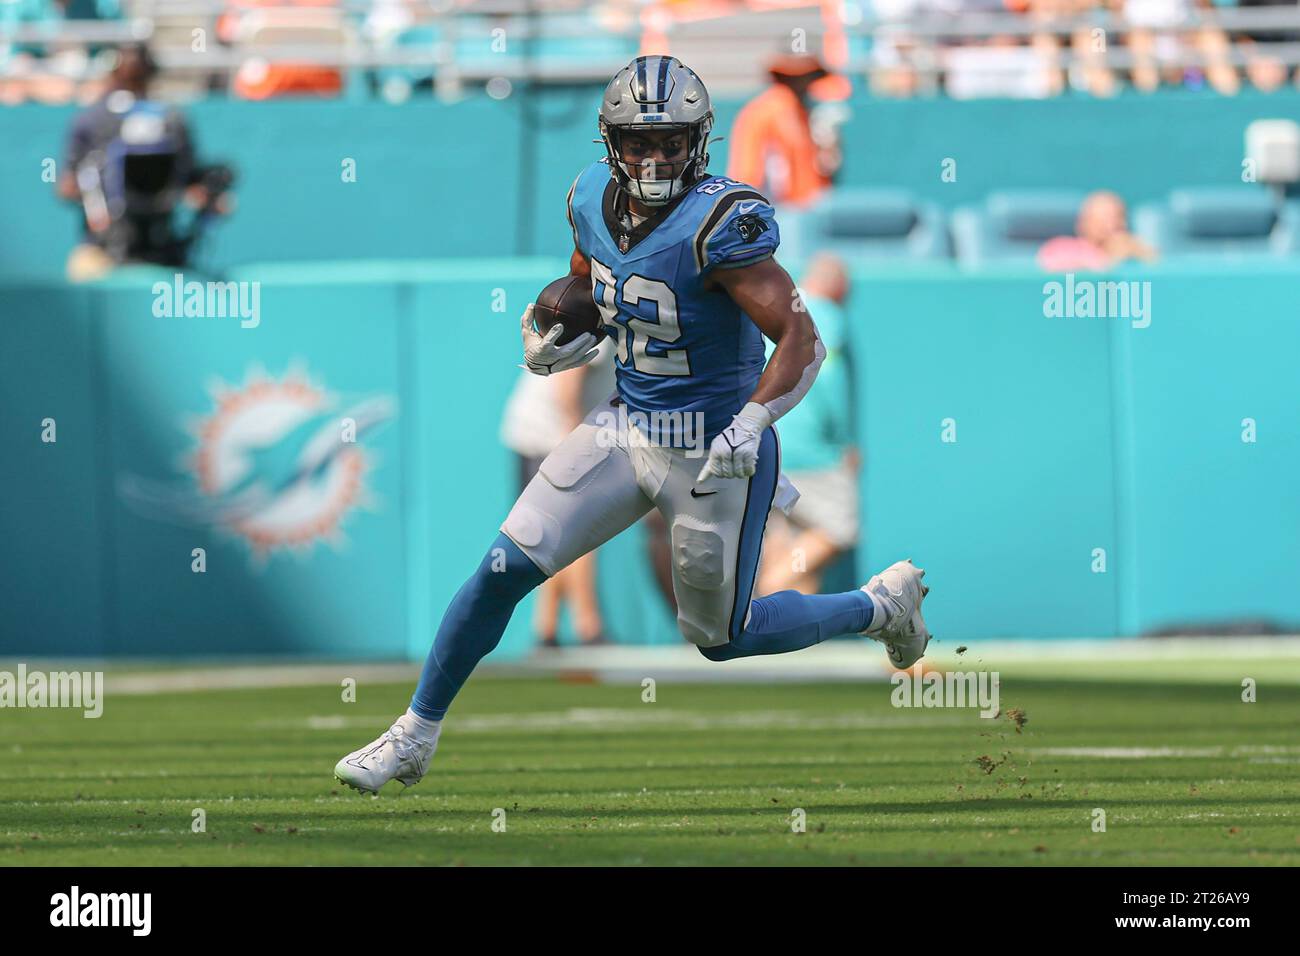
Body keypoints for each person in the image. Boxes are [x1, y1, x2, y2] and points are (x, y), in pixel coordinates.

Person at [334, 56, 932, 794]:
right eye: (639, 142)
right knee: (499, 572)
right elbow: (589, 283)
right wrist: (564, 327)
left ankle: (877, 607)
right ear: (610, 143)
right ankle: (413, 735)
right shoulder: (588, 195)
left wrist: (752, 422)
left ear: (699, 142)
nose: (654, 158)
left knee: (721, 638)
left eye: (671, 142)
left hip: (714, 450)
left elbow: (802, 343)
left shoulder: (724, 221)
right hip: (625, 428)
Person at [499, 342, 616, 648]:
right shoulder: (602, 324)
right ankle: (588, 627)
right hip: (548, 437)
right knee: (578, 530)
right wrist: (575, 446)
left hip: (533, 434)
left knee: (549, 536)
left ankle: (546, 629)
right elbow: (567, 385)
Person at [757, 254, 858, 596]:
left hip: (763, 443)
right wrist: (844, 440)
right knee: (840, 529)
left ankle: (772, 622)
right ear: (840, 290)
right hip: (811, 452)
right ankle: (767, 590)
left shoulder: (772, 307)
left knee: (777, 535)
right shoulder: (826, 315)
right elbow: (827, 383)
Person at [726, 53, 841, 209]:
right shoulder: (768, 109)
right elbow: (749, 172)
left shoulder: (801, 109)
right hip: (777, 210)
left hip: (798, 208)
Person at [1037, 190, 1157, 272]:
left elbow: (1157, 271)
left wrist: (1139, 253)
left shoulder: (1132, 249)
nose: (1112, 226)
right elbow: (1051, 267)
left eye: (1118, 217)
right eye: (1103, 219)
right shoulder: (1062, 247)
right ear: (1083, 223)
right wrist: (1110, 261)